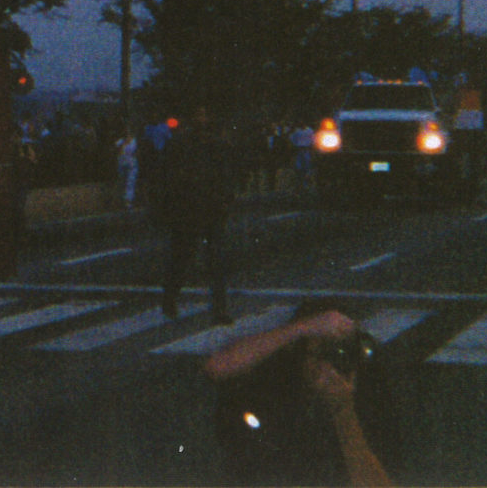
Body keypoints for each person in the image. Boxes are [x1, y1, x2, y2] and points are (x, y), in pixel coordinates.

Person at [204, 302, 393, 487]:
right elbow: (217, 366)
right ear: (302, 352)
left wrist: (343, 409)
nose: (330, 363)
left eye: (340, 352)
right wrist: (302, 328)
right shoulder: (280, 379)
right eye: (321, 352)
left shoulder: (368, 390)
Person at [150, 106, 234, 323]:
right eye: (197, 115)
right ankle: (170, 298)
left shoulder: (215, 144)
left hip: (210, 208)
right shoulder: (179, 144)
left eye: (203, 115)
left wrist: (225, 201)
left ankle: (220, 309)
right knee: (182, 257)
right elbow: (166, 176)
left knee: (215, 261)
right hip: (187, 209)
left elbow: (225, 176)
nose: (201, 119)